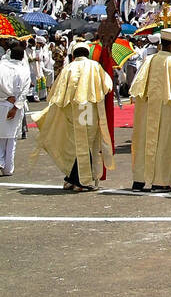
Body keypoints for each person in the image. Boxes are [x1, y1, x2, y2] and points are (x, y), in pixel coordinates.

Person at [34, 41, 113, 192]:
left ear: (74, 55)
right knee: (86, 145)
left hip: (72, 111)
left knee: (76, 144)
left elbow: (56, 93)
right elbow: (107, 86)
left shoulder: (68, 68)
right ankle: (80, 181)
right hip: (88, 109)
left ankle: (70, 179)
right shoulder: (95, 67)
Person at [129, 28, 171, 192]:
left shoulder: (149, 60)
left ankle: (139, 180)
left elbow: (137, 85)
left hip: (147, 109)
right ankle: (160, 181)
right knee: (165, 144)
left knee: (145, 142)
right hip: (168, 109)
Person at [0, 42, 31, 177]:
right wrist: (16, 105)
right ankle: (7, 168)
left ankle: (1, 162)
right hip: (15, 106)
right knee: (11, 138)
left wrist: (6, 97)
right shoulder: (24, 70)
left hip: (2, 103)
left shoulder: (1, 66)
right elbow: (24, 91)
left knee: (1, 137)